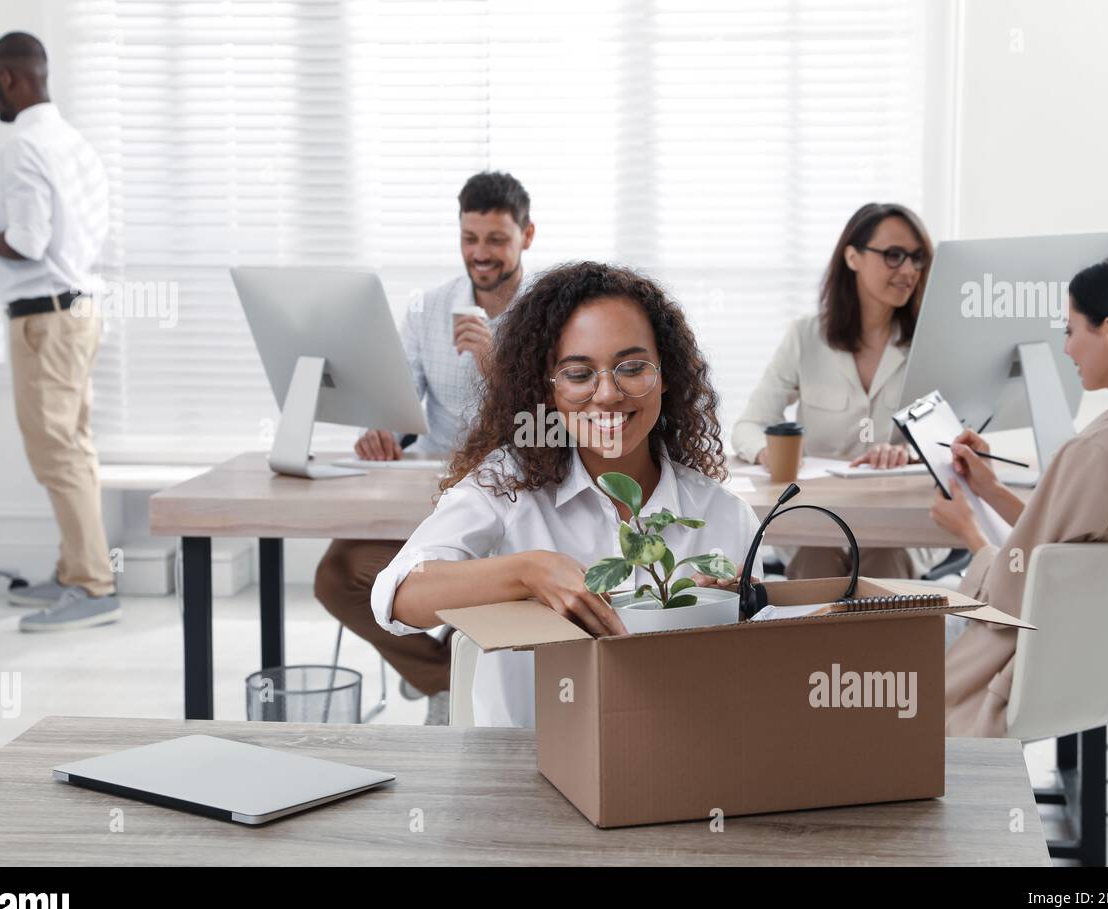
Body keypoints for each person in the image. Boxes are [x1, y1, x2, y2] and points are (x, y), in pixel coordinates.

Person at [370, 262, 763, 728]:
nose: (608, 394)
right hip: (525, 774)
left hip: (674, 763)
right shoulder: (507, 486)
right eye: (579, 374)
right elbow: (397, 598)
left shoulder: (724, 515)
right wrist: (527, 572)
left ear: (667, 374)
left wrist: (721, 617)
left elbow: (756, 685)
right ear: (547, 389)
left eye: (632, 368)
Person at [928, 255, 1108, 736]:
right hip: (1093, 666)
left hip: (1014, 668)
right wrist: (991, 490)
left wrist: (969, 534)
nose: (1066, 347)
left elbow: (1010, 596)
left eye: (1071, 329)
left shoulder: (1099, 451)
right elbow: (1071, 548)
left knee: (860, 625)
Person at [314, 171, 535, 724]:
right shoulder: (428, 310)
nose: (480, 254)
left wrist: (494, 367)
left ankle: (461, 688)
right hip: (431, 489)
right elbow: (402, 401)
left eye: (496, 240)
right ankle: (445, 677)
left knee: (489, 581)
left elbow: (553, 422)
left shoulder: (549, 313)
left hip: (516, 492)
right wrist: (385, 431)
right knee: (339, 575)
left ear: (526, 236)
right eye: (470, 238)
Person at [0, 32, 118, 632]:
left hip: (45, 321)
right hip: (76, 312)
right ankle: (75, 573)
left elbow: (29, 244)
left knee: (57, 455)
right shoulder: (70, 141)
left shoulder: (20, 146)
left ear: (11, 78)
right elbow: (57, 235)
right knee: (74, 449)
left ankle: (93, 587)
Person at [731, 202, 943, 579]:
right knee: (817, 565)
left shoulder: (931, 342)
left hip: (901, 519)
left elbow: (952, 441)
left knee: (883, 563)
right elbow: (748, 426)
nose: (909, 270)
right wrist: (770, 452)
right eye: (894, 256)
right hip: (818, 515)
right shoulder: (806, 337)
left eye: (917, 258)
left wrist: (907, 453)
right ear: (852, 256)